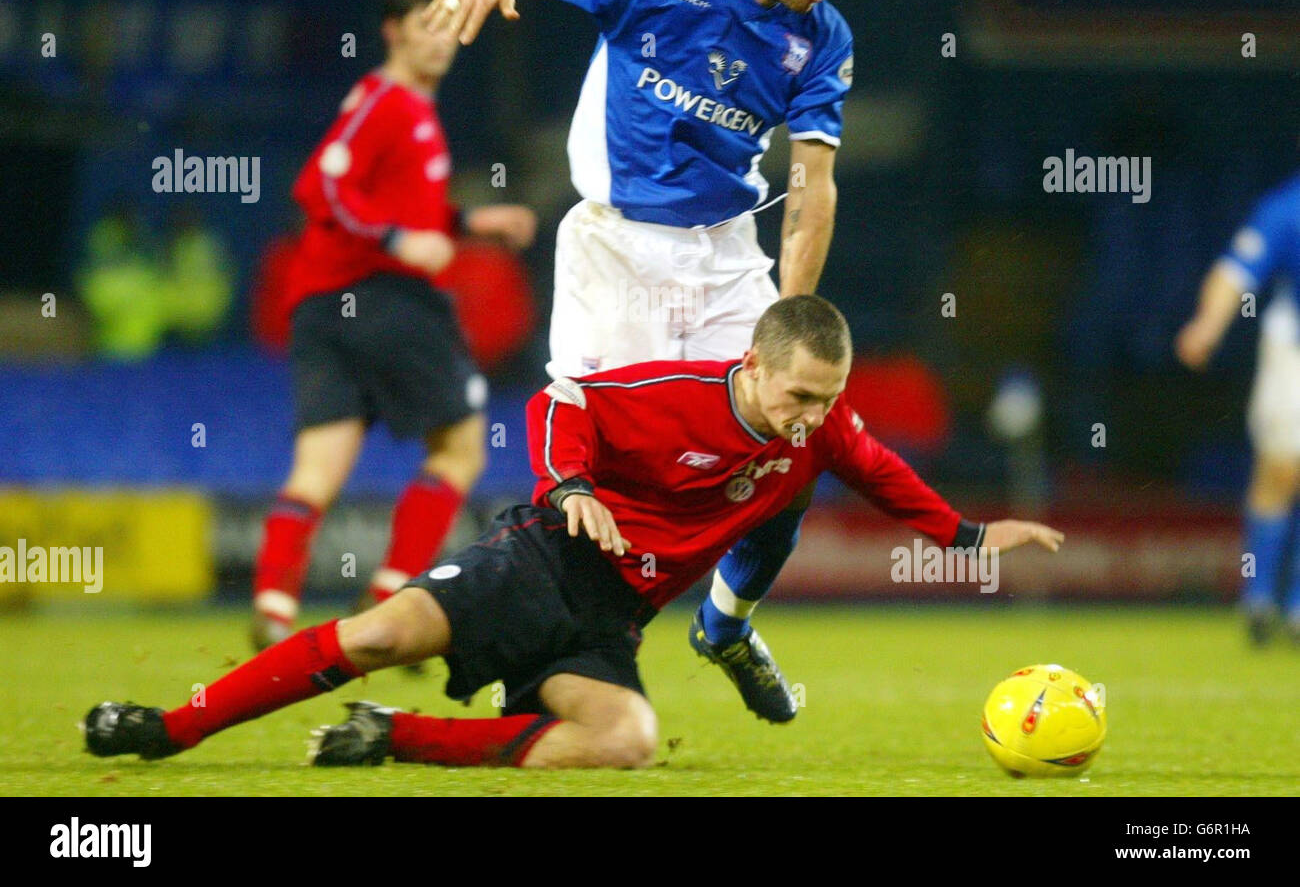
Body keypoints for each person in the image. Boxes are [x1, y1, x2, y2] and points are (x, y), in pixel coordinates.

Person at [85, 295, 1063, 769]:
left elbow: (886, 476)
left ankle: (391, 738)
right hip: (542, 562)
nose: (814, 417)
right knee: (378, 635)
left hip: (608, 622)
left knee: (627, 738)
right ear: (757, 367)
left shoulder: (824, 434)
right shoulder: (672, 394)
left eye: (829, 399)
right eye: (801, 395)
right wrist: (568, 486)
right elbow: (564, 405)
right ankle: (170, 729)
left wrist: (969, 536)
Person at [420, 0, 864, 721]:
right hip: (614, 248)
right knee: (590, 466)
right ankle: (541, 666)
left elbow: (813, 189)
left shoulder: (822, 37)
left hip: (728, 251)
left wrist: (795, 315)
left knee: (799, 438)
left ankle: (728, 623)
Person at [250, 0, 537, 649]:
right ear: (392, 32)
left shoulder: (400, 108)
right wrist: (396, 239)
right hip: (387, 301)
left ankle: (273, 602)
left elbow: (394, 204)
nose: (441, 40)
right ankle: (394, 598)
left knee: (318, 466)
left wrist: (468, 222)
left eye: (449, 26)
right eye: (425, 25)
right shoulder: (389, 100)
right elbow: (318, 185)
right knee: (461, 450)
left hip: (324, 305)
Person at [1175, 167, 1300, 643]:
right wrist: (1207, 325)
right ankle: (1260, 599)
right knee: (1282, 469)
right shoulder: (1286, 208)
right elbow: (1235, 272)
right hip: (1294, 348)